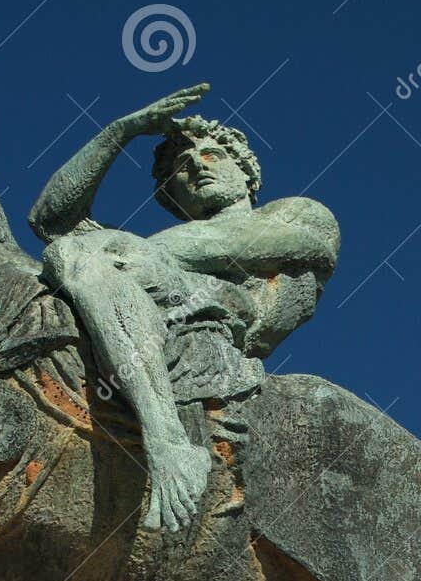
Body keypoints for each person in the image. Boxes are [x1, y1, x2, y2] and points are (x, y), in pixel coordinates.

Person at [30, 84, 339, 531]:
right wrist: (122, 130)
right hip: (137, 290)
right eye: (181, 168)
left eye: (213, 155)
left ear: (246, 171)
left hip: (205, 318)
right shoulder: (141, 250)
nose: (196, 165)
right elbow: (49, 221)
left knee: (77, 254)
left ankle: (168, 441)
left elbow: (298, 253)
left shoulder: (296, 214)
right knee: (67, 254)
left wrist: (130, 249)